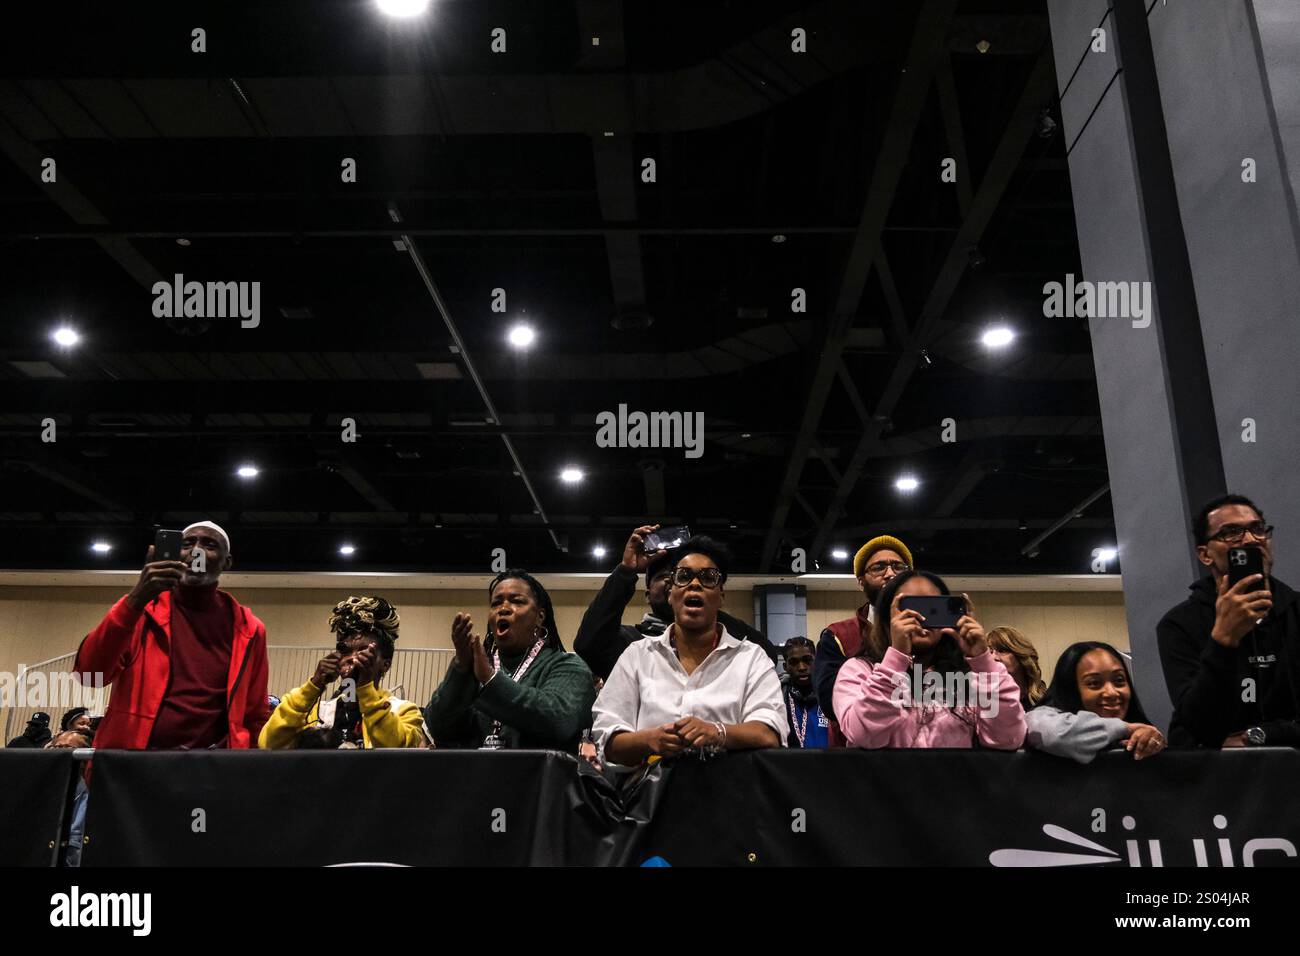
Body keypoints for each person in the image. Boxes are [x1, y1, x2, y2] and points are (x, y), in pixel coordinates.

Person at [73, 521, 270, 750]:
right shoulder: (141, 611)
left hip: (212, 768)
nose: (196, 551)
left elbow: (255, 712)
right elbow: (89, 676)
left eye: (209, 545)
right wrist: (136, 598)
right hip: (134, 764)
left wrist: (251, 768)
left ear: (227, 562)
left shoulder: (249, 628)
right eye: (187, 544)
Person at [591, 536, 787, 766]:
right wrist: (650, 740)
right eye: (683, 577)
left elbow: (769, 733)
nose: (695, 584)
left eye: (708, 578)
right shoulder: (637, 656)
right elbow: (608, 742)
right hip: (650, 795)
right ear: (671, 595)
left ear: (721, 597)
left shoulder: (751, 658)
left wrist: (718, 732)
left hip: (730, 795)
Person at [1158, 494, 1300, 748]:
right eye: (1231, 532)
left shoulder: (1295, 612)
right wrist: (1223, 640)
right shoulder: (1179, 624)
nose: (1250, 539)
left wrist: (1261, 735)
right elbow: (1197, 725)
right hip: (1224, 778)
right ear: (1205, 554)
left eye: (1257, 529)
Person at [832, 570, 1025, 749]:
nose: (922, 617)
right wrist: (896, 659)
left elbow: (1008, 738)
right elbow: (864, 735)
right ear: (886, 617)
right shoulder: (859, 671)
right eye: (910, 608)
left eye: (933, 608)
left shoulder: (970, 676)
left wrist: (983, 662)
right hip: (882, 785)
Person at [574, 523, 779, 681]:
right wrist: (625, 571)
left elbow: (768, 655)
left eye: (683, 575)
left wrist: (707, 603)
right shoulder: (632, 644)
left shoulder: (723, 640)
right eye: (663, 576)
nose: (675, 582)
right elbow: (588, 644)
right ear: (647, 595)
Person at [424, 569, 596, 751]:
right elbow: (438, 726)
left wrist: (491, 680)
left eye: (517, 601)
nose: (503, 608)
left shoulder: (567, 666)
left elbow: (559, 720)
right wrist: (461, 667)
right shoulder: (475, 670)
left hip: (540, 779)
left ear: (540, 617)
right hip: (474, 777)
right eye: (496, 603)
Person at [260, 596, 431, 749]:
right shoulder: (318, 712)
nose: (352, 658)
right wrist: (313, 686)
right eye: (345, 650)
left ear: (385, 664)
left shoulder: (404, 711)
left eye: (364, 651)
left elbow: (396, 748)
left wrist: (365, 689)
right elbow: (269, 744)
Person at [813, 534, 913, 746]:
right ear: (861, 582)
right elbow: (830, 705)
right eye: (878, 567)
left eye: (898, 567)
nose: (890, 573)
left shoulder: (931, 631)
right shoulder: (838, 635)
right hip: (858, 757)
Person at [1026, 642, 1165, 763]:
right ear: (1071, 688)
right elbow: (1054, 735)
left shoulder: (1139, 733)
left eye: (1119, 680)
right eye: (1094, 683)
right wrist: (1126, 728)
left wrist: (1150, 742)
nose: (1111, 692)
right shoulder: (1041, 718)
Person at [781, 637, 829, 748]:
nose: (802, 667)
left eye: (807, 660)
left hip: (829, 763)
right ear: (785, 667)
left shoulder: (830, 695)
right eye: (794, 662)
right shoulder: (778, 698)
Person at [987, 625, 1048, 710]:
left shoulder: (1047, 700)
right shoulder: (986, 703)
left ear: (1020, 655)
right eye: (990, 652)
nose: (993, 657)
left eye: (1002, 650)